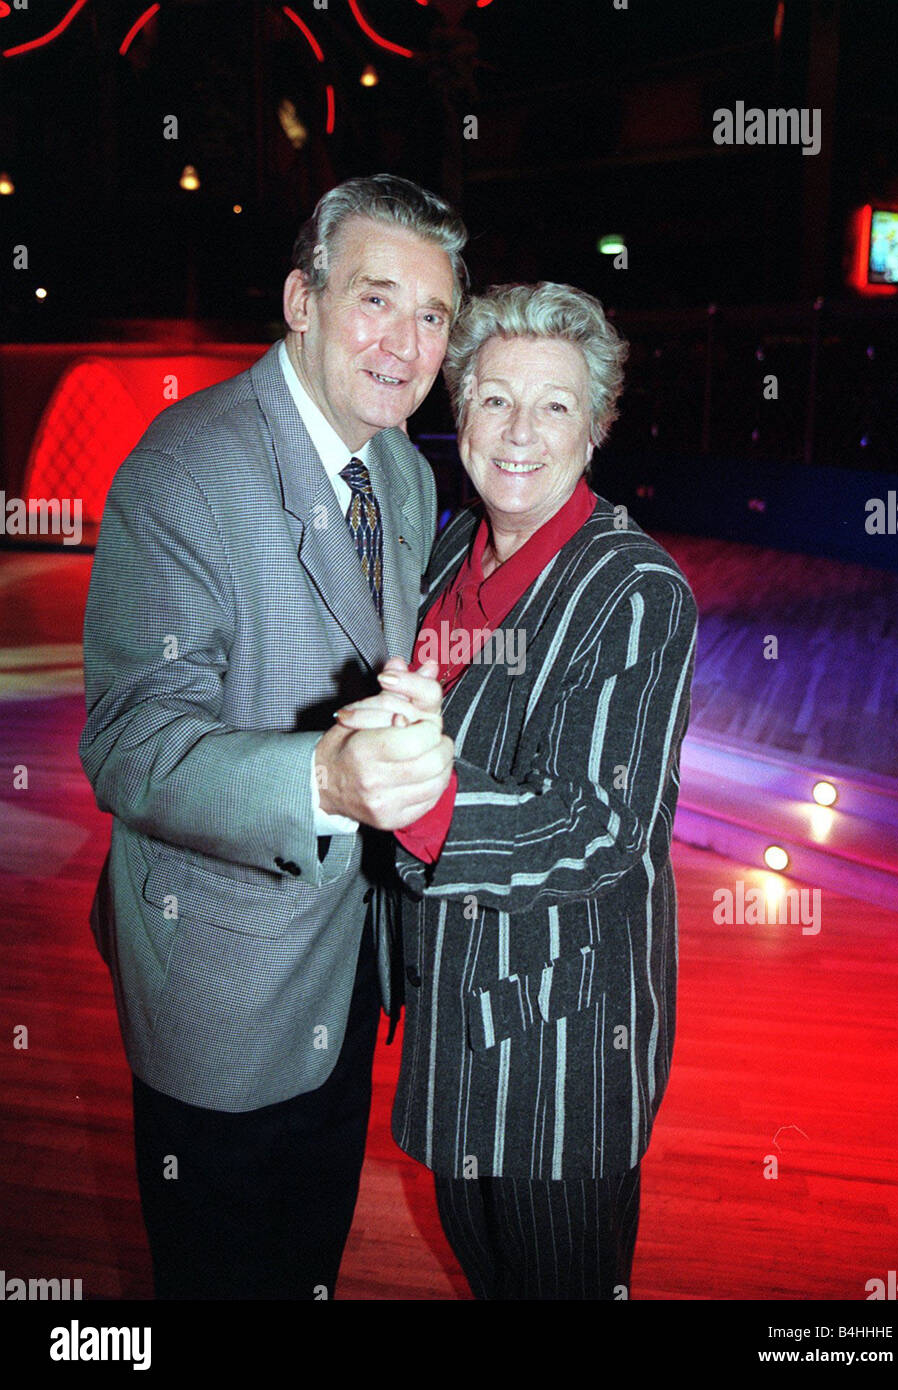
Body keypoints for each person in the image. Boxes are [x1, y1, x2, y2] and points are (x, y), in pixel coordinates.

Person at [78, 174, 462, 1300]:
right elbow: (131, 743)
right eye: (375, 299)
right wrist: (324, 782)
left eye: (432, 315)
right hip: (222, 989)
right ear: (302, 301)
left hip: (345, 975)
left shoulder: (403, 470)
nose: (405, 344)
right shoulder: (185, 467)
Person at [337, 281, 698, 1300]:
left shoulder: (636, 590)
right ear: (461, 413)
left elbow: (601, 827)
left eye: (554, 405)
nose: (520, 432)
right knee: (486, 1270)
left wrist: (413, 793)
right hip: (452, 1015)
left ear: (594, 427)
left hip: (563, 1046)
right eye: (495, 399)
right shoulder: (449, 552)